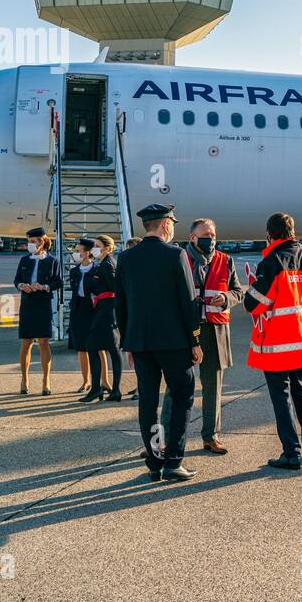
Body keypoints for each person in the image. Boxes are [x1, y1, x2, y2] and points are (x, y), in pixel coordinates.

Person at [115, 204, 202, 482]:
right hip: (174, 343)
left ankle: (154, 462)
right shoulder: (176, 255)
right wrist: (195, 340)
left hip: (140, 344)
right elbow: (189, 303)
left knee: (148, 403)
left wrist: (128, 343)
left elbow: (121, 305)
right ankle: (174, 460)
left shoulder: (126, 258)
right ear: (165, 224)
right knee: (181, 398)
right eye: (172, 222)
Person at [244, 212, 302, 470]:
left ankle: (291, 452)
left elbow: (254, 304)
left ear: (269, 234)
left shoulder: (272, 262)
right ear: (292, 232)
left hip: (277, 345)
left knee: (281, 398)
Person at [162, 218, 244, 453]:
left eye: (213, 235)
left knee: (213, 386)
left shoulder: (224, 260)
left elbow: (237, 291)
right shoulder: (179, 258)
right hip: (185, 330)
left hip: (215, 329)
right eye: (206, 235)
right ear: (192, 238)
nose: (211, 239)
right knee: (175, 386)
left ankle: (211, 436)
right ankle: (167, 436)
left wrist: (227, 298)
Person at [14, 228, 63, 395]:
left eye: (33, 242)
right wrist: (22, 286)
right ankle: (24, 378)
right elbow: (17, 280)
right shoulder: (24, 260)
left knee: (43, 342)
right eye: (28, 241)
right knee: (26, 342)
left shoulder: (52, 260)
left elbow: (58, 282)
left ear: (41, 242)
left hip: (43, 303)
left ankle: (46, 379)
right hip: (27, 304)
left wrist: (44, 286)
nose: (29, 245)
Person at [80, 234, 123, 402]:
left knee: (93, 346)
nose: (95, 249)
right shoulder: (105, 263)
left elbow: (115, 287)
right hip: (105, 308)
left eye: (98, 246)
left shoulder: (107, 264)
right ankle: (112, 390)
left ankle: (100, 389)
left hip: (107, 310)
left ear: (107, 248)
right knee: (112, 349)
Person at [68, 238, 97, 394]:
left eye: (79, 251)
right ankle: (86, 380)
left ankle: (100, 381)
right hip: (78, 311)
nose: (76, 253)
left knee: (96, 348)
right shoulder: (74, 271)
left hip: (93, 311)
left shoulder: (97, 269)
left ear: (88, 253)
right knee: (81, 348)